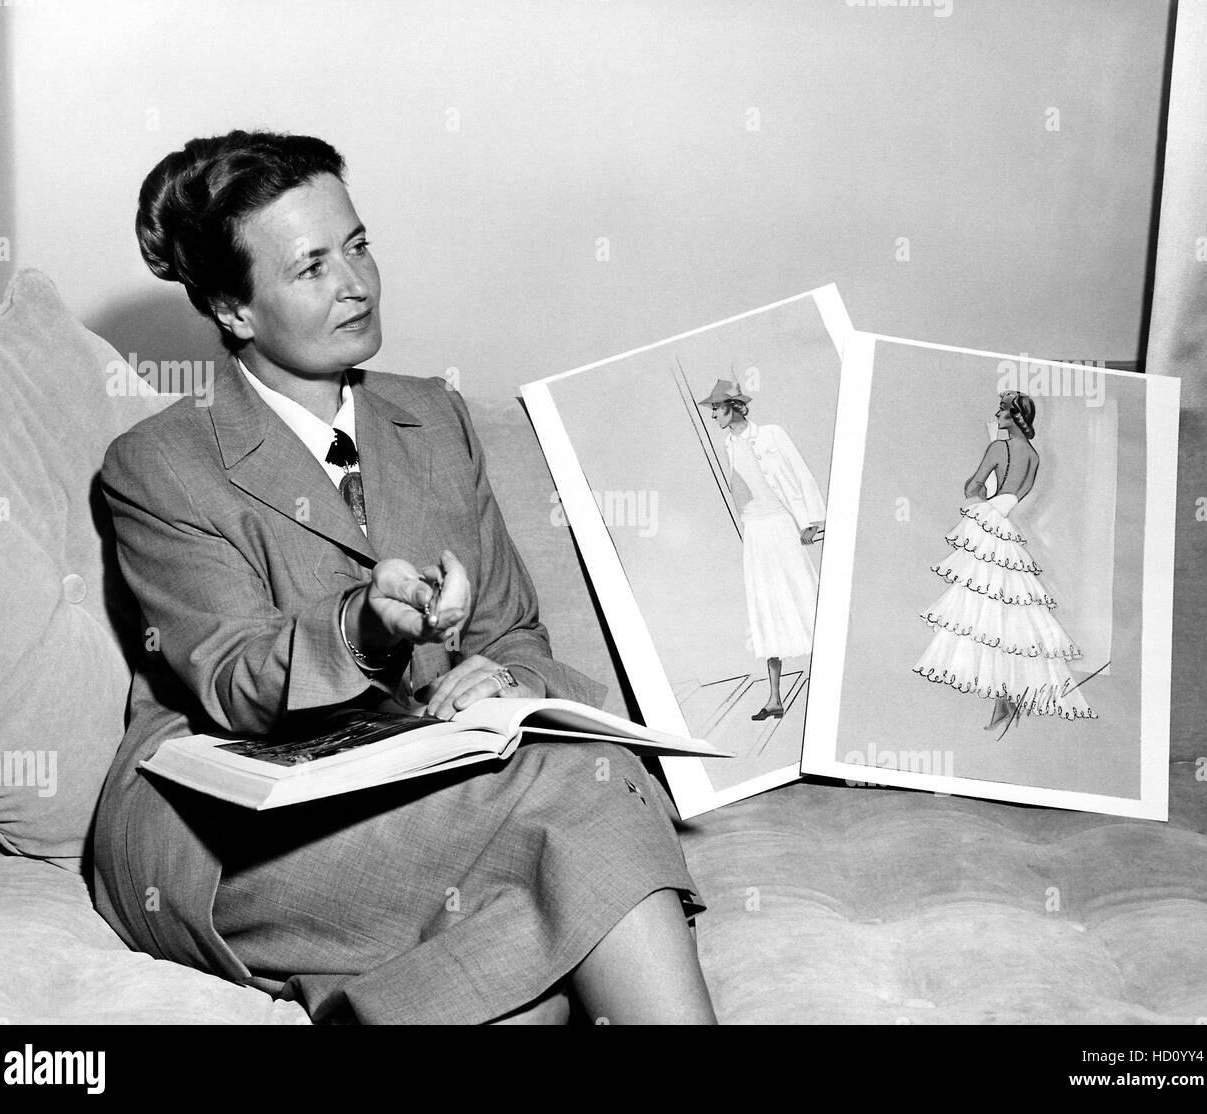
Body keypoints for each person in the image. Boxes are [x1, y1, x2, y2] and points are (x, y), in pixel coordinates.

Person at [93, 130, 716, 1025]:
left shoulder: (432, 414)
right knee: (591, 791)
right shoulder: (159, 463)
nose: (354, 282)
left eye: (358, 245)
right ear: (234, 310)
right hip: (242, 826)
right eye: (310, 266)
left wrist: (500, 679)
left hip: (440, 790)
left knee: (537, 953)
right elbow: (232, 681)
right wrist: (361, 629)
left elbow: (514, 634)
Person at [913, 391, 1096, 729]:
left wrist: (979, 495)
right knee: (1008, 611)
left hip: (988, 521)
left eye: (1001, 409)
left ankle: (1004, 697)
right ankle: (1005, 697)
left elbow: (972, 486)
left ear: (1014, 417)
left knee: (982, 609)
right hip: (1005, 522)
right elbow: (1019, 494)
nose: (996, 413)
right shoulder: (1035, 456)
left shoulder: (999, 448)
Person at [700, 380, 825, 720]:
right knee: (765, 606)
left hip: (782, 523)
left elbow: (801, 473)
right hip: (755, 530)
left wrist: (811, 521)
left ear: (733, 406)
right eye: (711, 409)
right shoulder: (726, 444)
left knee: (804, 597)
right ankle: (775, 699)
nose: (713, 415)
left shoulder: (772, 434)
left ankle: (830, 686)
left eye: (716, 407)